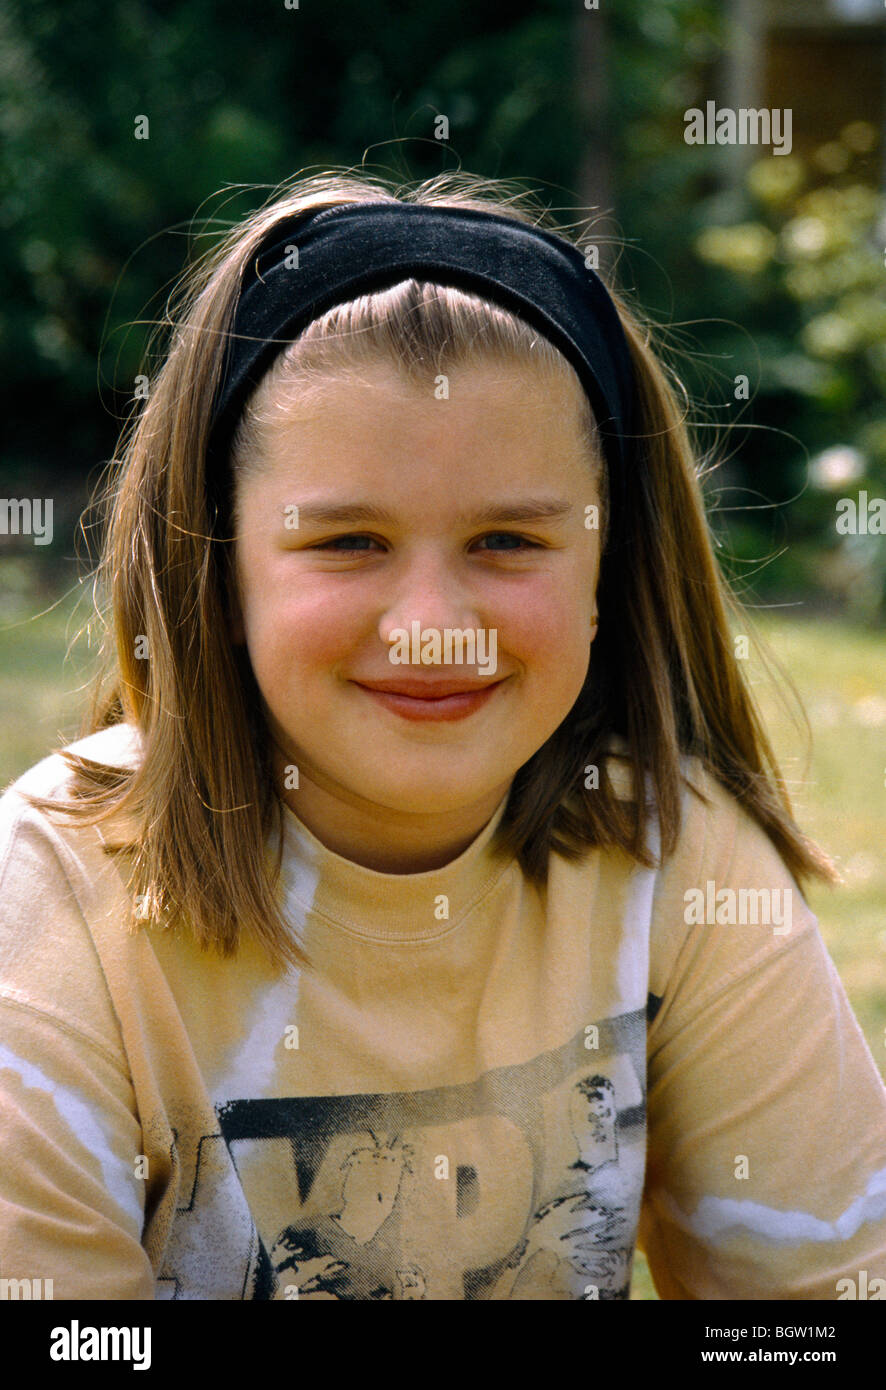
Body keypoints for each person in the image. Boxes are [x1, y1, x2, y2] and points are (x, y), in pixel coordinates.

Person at [1, 169, 884, 1302]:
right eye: (349, 542)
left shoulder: (676, 855)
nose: (429, 628)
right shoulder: (59, 890)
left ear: (605, 569)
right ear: (220, 574)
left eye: (509, 540)